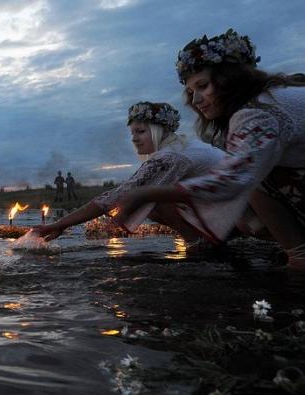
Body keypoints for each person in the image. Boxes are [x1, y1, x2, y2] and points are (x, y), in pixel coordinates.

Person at [115, 29, 305, 269]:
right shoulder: (275, 96)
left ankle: (299, 257)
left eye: (203, 86)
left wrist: (144, 194)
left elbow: (231, 180)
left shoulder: (258, 113)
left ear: (232, 78)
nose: (195, 101)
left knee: (251, 177)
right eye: (191, 92)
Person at [33, 101, 225, 243]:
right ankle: (200, 238)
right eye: (132, 133)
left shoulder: (170, 157)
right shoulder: (185, 146)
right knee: (151, 198)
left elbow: (115, 196)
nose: (134, 139)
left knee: (151, 200)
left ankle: (199, 244)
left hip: (235, 210)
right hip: (226, 204)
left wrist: (59, 224)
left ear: (159, 131)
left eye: (141, 132)